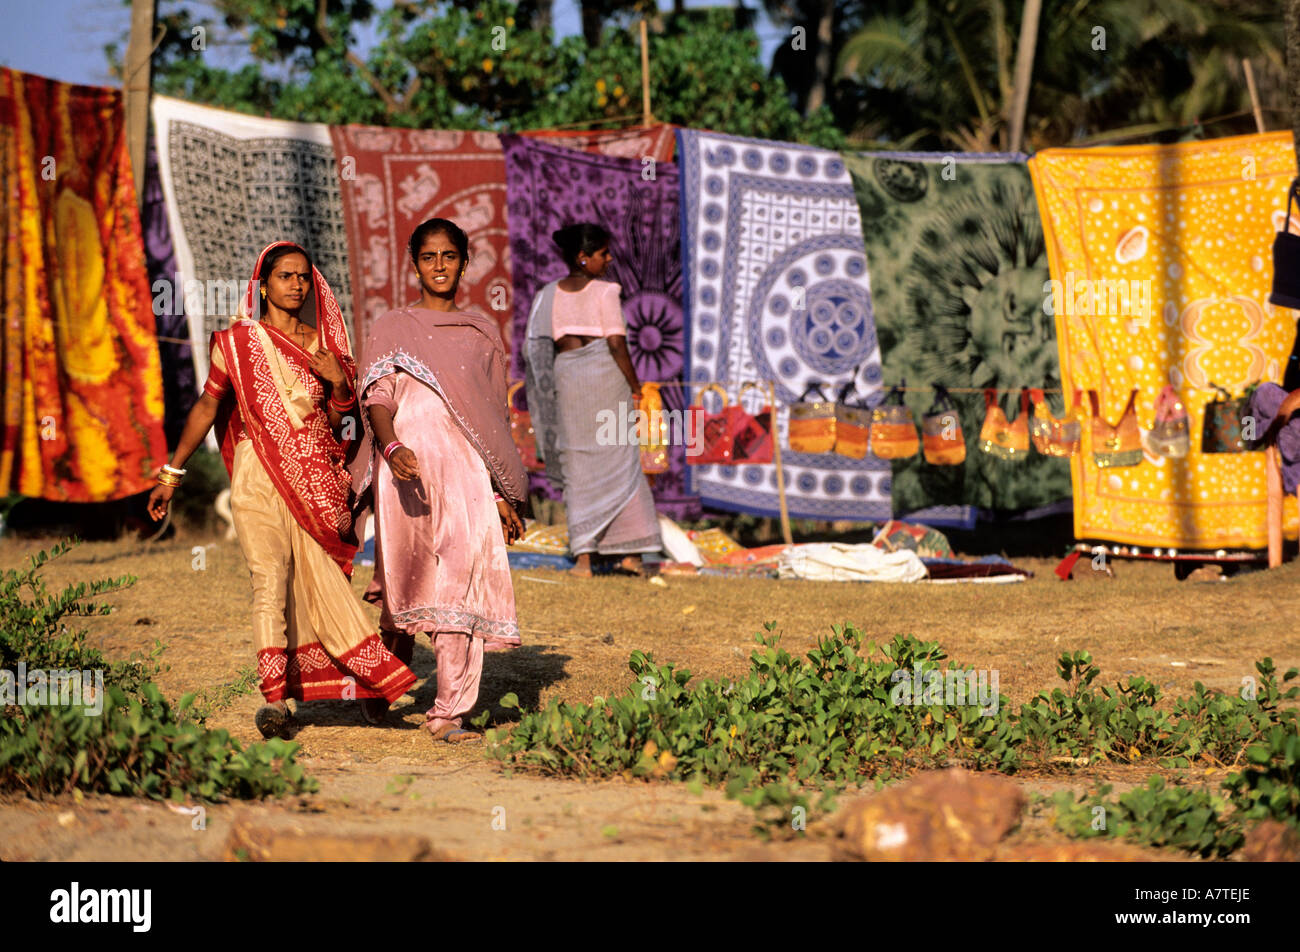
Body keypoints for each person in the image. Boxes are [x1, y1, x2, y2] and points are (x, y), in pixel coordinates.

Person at [148, 242, 417, 739]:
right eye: (285, 276)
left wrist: (338, 385)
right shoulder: (237, 342)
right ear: (264, 283)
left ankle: (366, 680)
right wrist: (172, 474)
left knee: (322, 582)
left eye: (302, 278)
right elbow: (208, 408)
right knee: (268, 578)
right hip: (257, 470)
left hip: (313, 478)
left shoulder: (323, 347)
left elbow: (339, 424)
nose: (295, 285)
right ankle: (276, 702)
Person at [350, 218, 527, 743]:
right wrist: (392, 446)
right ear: (415, 263)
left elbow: (493, 419)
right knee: (405, 585)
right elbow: (377, 398)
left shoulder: (480, 333)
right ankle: (381, 683)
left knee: (460, 585)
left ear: (465, 262)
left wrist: (498, 492)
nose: (440, 266)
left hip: (468, 477)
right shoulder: (392, 326)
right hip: (407, 472)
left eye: (450, 256)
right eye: (429, 257)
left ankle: (448, 713)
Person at [523, 223, 662, 578]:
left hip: (568, 379)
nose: (610, 258)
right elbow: (617, 344)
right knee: (621, 462)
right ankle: (631, 554)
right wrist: (636, 385)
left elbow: (538, 348)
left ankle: (585, 559)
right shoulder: (606, 292)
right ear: (583, 258)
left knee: (579, 464)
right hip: (607, 381)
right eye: (603, 253)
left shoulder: (547, 295)